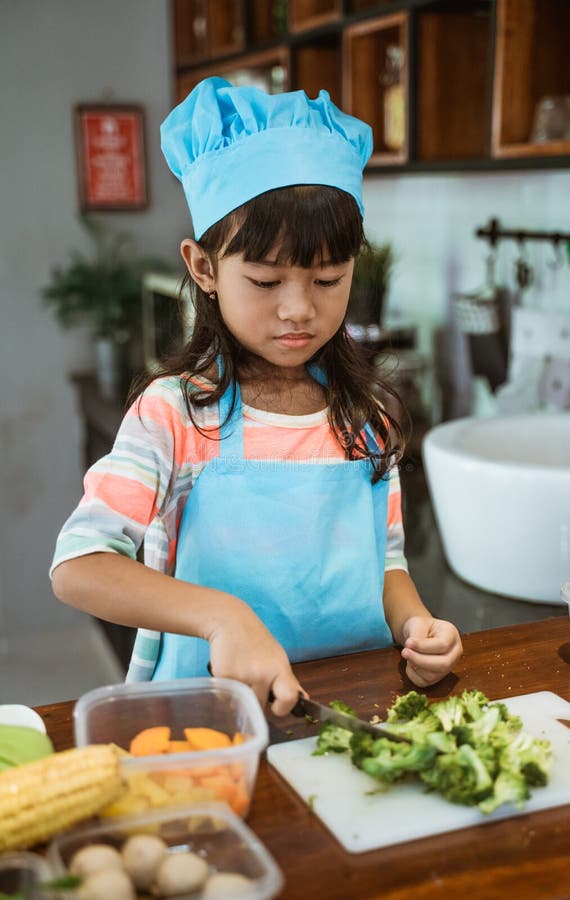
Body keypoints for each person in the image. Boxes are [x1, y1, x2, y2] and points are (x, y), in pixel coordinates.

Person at [51, 77, 462, 716]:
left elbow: (385, 566)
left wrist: (418, 627)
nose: (299, 309)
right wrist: (221, 618)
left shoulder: (366, 418)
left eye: (329, 279)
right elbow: (79, 564)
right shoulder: (176, 414)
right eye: (266, 280)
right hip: (205, 721)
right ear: (203, 268)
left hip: (352, 713)